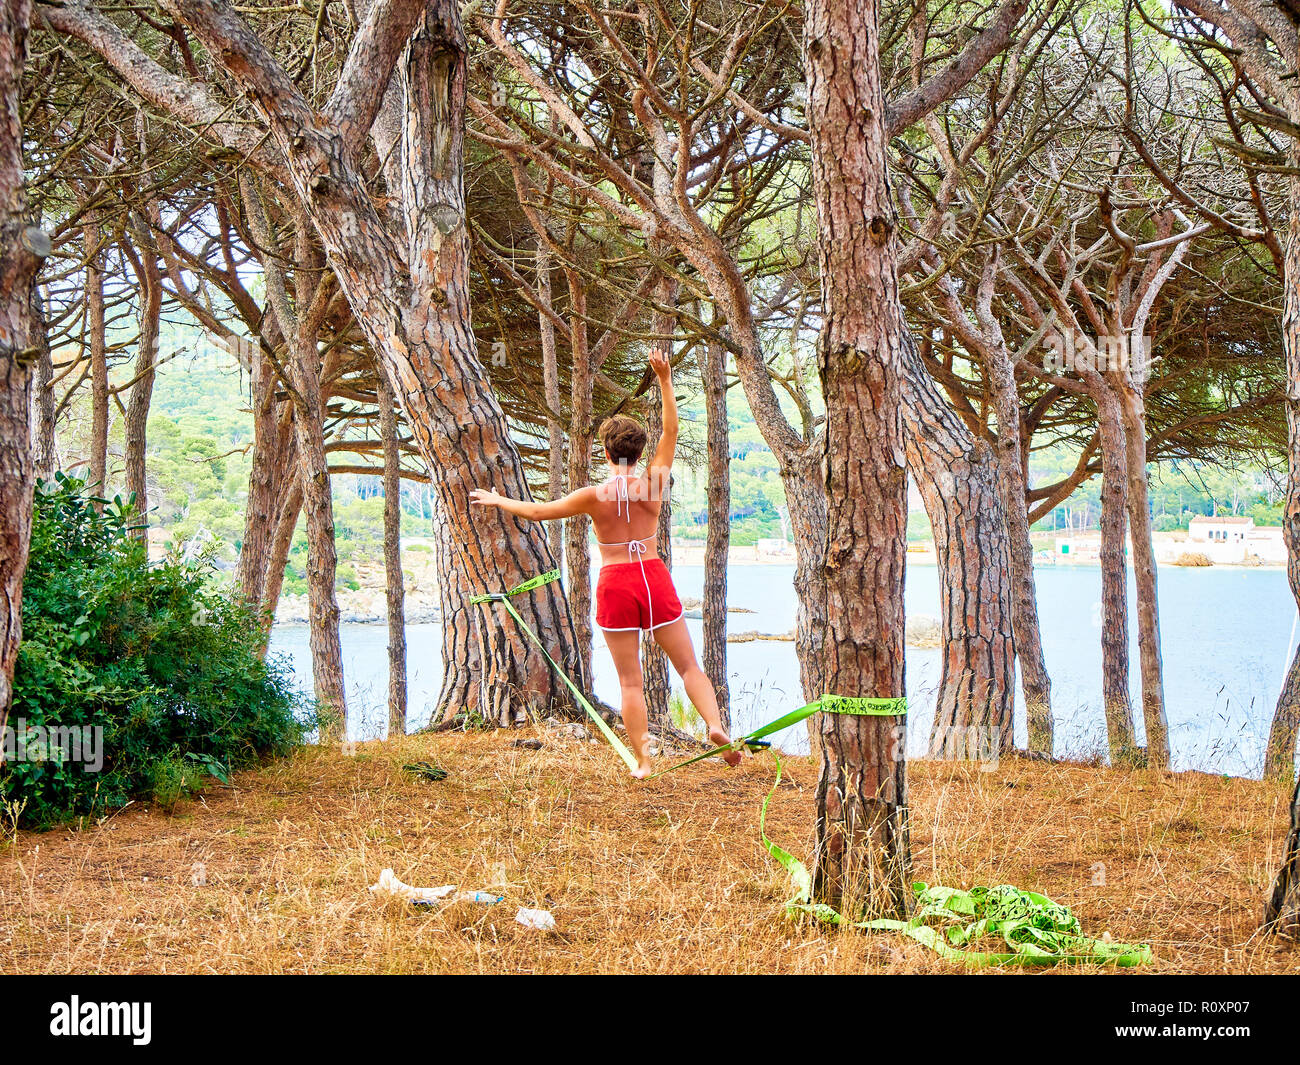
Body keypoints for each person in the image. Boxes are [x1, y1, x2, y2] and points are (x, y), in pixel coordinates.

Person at [470, 349, 740, 778]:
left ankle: (644, 760)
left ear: (605, 451)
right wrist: (665, 379)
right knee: (689, 666)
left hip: (616, 581)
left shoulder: (594, 495)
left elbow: (540, 512)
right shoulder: (654, 483)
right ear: (640, 449)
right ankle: (715, 725)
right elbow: (672, 429)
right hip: (653, 575)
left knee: (631, 682)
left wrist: (497, 498)